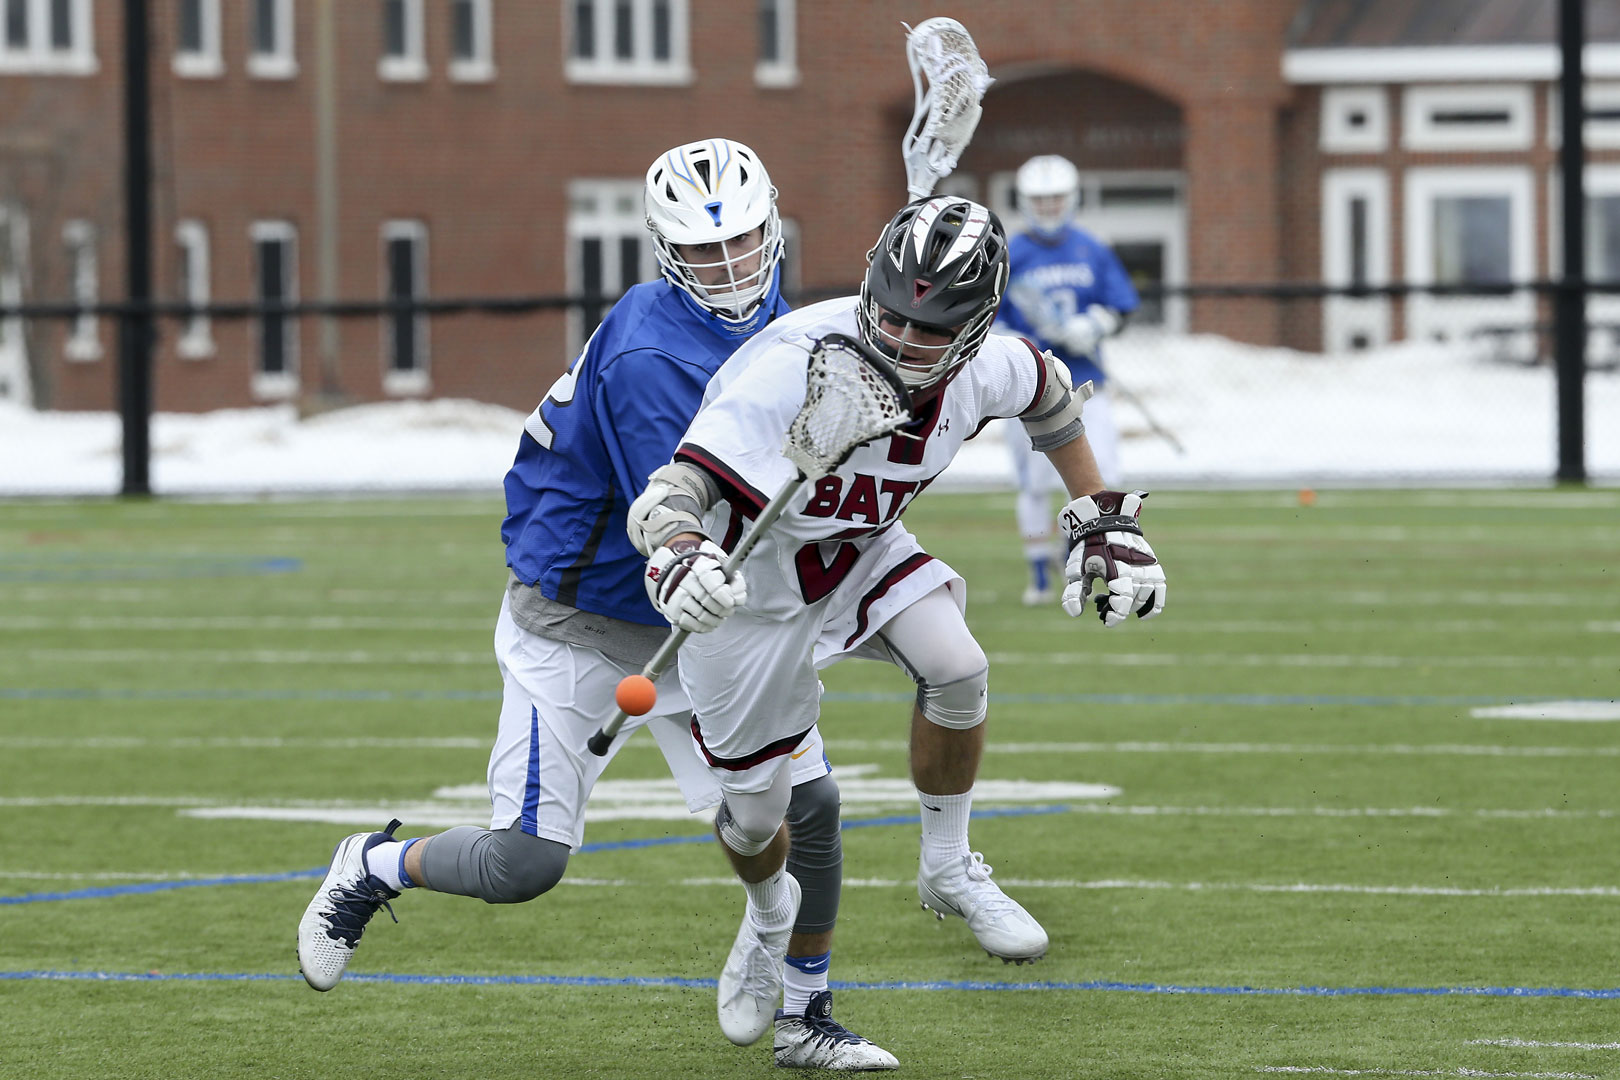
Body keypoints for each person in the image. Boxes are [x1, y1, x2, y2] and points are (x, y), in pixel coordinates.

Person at [295, 138, 897, 1071]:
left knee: (805, 805)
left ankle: (804, 1012)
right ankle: (369, 868)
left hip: (705, 607)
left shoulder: (792, 322)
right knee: (523, 865)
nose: (731, 268)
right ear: (663, 253)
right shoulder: (652, 351)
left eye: (742, 242)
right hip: (582, 616)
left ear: (773, 226)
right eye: (703, 253)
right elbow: (681, 515)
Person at [628, 195, 1168, 1041]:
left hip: (862, 553)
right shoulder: (788, 364)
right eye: (891, 317)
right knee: (757, 814)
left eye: (932, 329)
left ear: (978, 321)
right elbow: (671, 492)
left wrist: (1103, 517)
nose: (906, 340)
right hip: (753, 595)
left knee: (959, 668)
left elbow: (1051, 395)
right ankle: (768, 915)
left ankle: (949, 867)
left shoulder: (989, 362)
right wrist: (681, 552)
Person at [993, 154, 1141, 605]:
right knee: (1035, 482)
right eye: (1040, 199)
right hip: (1030, 389)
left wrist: (1094, 324)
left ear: (1072, 198)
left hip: (1087, 381)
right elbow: (987, 321)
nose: (1050, 206)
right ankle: (1039, 575)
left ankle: (1077, 551)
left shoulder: (1090, 249)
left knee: (1103, 474)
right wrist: (1021, 339)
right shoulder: (1009, 253)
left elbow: (1120, 307)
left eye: (1056, 197)